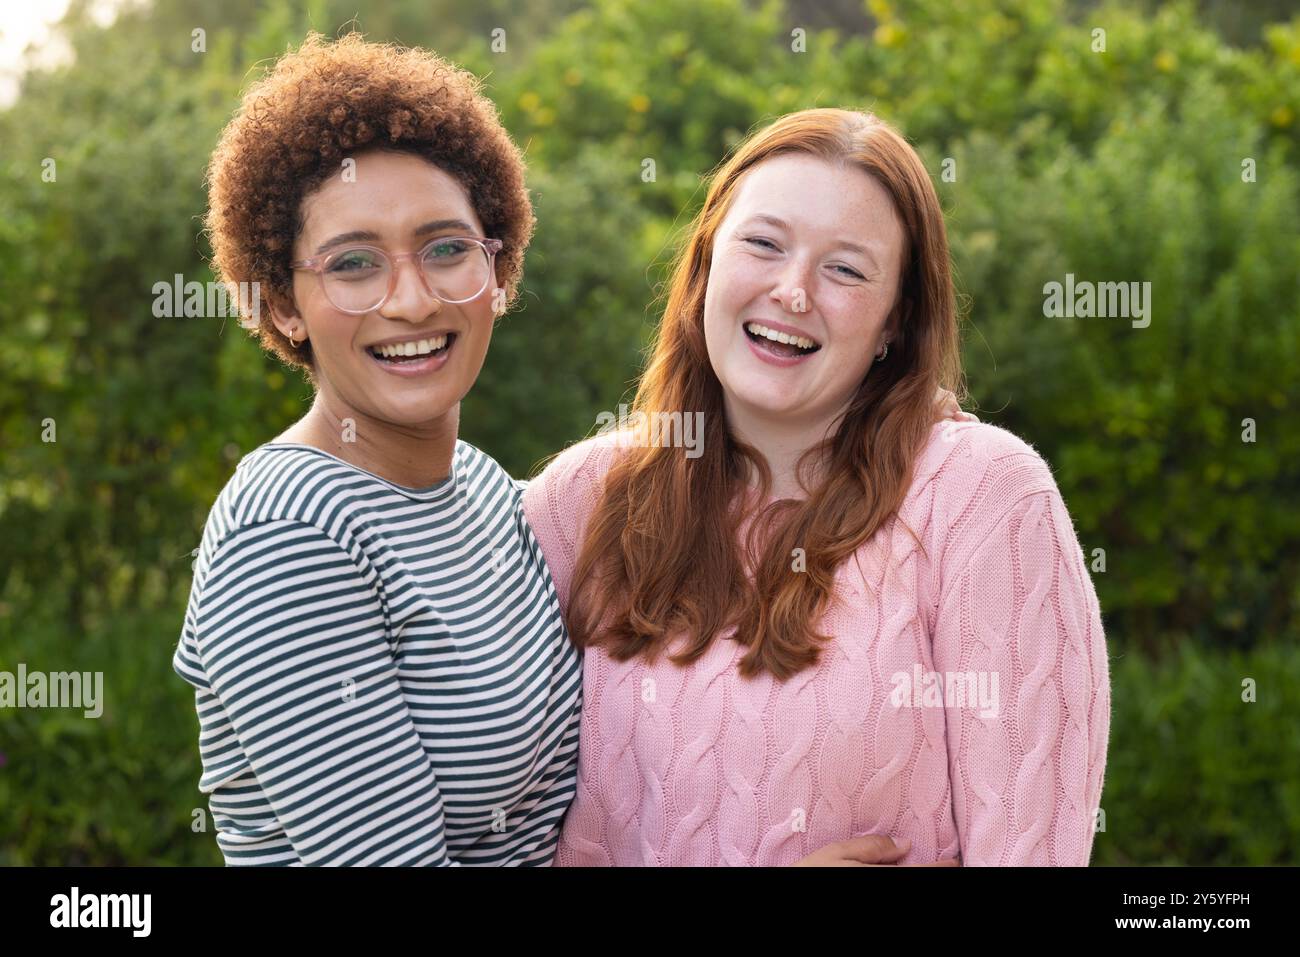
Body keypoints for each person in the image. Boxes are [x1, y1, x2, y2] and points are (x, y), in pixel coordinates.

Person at [523, 108, 1111, 866]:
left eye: (846, 269)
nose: (793, 291)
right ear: (705, 265)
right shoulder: (582, 499)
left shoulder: (981, 498)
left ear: (895, 322)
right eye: (763, 244)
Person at [173, 33, 581, 866]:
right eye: (354, 263)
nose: (411, 298)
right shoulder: (286, 533)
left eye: (446, 249)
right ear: (285, 303)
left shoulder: (487, 491)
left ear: (497, 277)